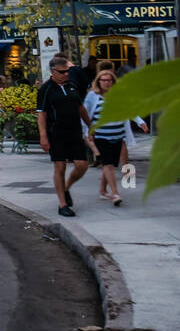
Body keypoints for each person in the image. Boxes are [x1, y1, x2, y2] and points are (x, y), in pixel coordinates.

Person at [38, 56, 94, 217]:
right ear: (53, 71)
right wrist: (43, 136)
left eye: (67, 71)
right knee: (60, 166)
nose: (66, 74)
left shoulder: (72, 86)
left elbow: (81, 108)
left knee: (82, 165)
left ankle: (66, 187)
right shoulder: (46, 89)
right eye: (62, 72)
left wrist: (90, 126)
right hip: (56, 132)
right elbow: (41, 114)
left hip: (75, 130)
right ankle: (62, 204)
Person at [83, 70, 126, 206]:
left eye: (109, 80)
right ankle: (115, 193)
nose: (107, 83)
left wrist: (140, 122)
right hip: (101, 136)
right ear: (98, 82)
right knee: (108, 164)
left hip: (117, 135)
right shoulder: (92, 96)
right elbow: (85, 113)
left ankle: (102, 190)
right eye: (104, 80)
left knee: (111, 164)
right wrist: (87, 131)